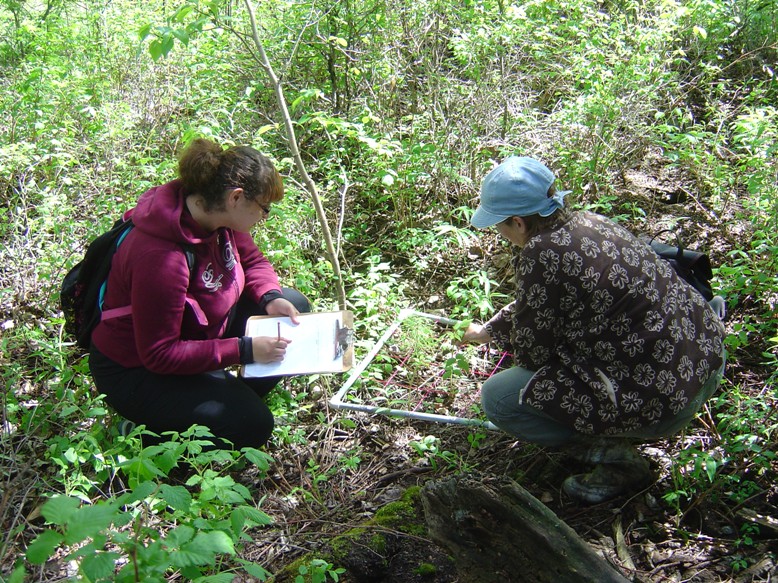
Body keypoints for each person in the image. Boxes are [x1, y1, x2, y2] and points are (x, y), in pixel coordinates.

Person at [459, 156, 726, 504]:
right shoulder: (591, 222)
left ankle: (616, 460)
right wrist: (490, 331)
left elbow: (533, 354)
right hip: (703, 361)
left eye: (499, 225)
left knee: (500, 397)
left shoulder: (542, 253)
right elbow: (545, 301)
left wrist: (520, 338)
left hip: (668, 400)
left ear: (519, 223)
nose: (499, 233)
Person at [89, 138, 311, 450]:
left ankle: (228, 399)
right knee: (254, 426)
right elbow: (160, 353)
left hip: (199, 334)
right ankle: (149, 432)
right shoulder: (160, 257)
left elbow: (253, 261)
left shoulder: (218, 218)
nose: (264, 217)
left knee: (293, 306)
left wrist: (270, 296)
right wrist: (244, 350)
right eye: (264, 208)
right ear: (236, 198)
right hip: (136, 371)